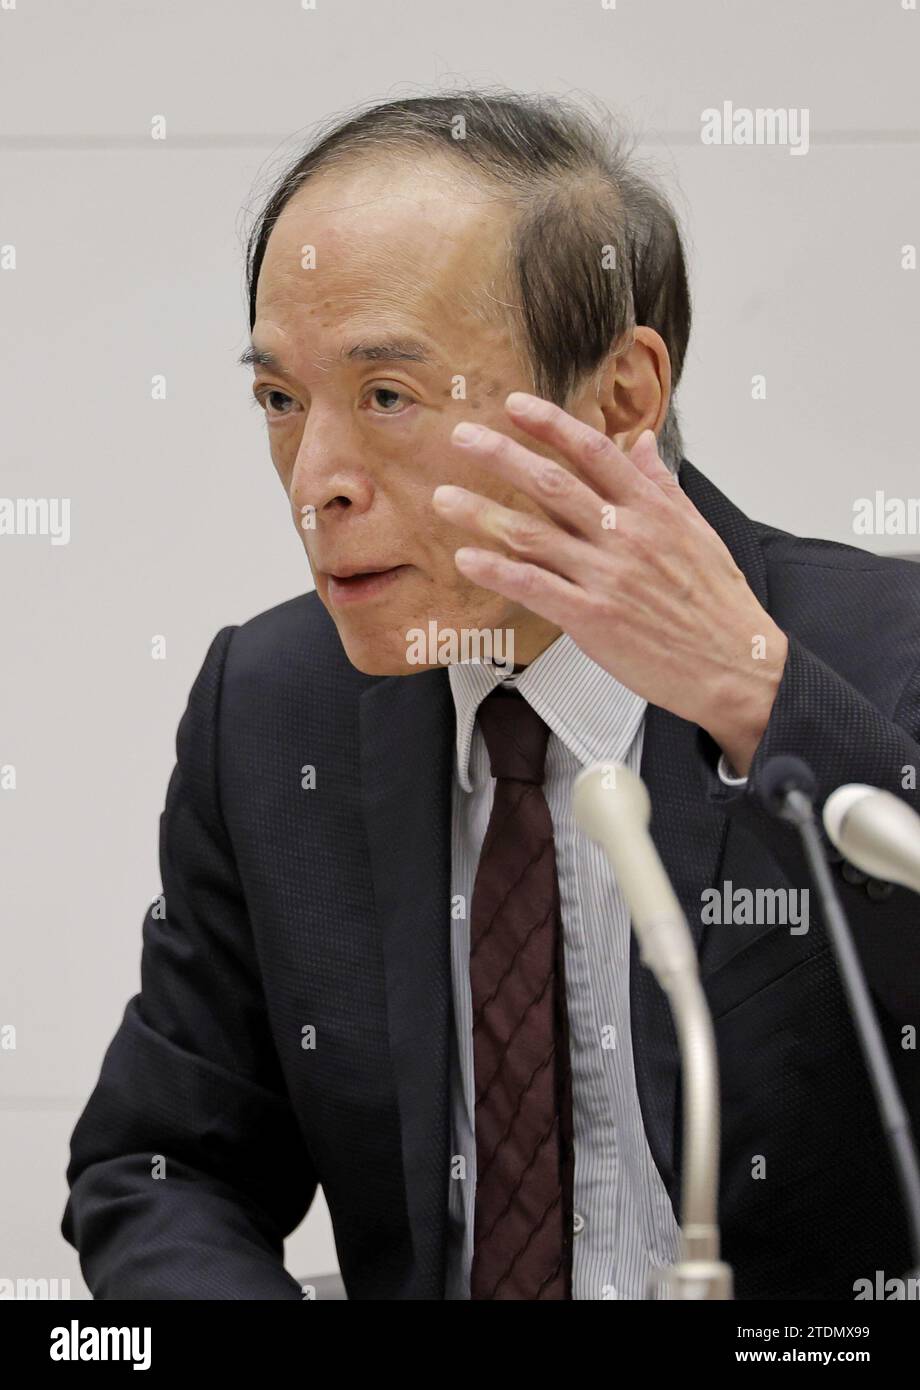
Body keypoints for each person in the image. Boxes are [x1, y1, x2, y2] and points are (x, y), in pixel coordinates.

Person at [62, 90, 920, 1300]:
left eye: (389, 397)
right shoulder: (269, 709)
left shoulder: (883, 658)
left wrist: (752, 696)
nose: (315, 483)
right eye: (278, 401)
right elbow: (162, 1165)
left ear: (619, 395)